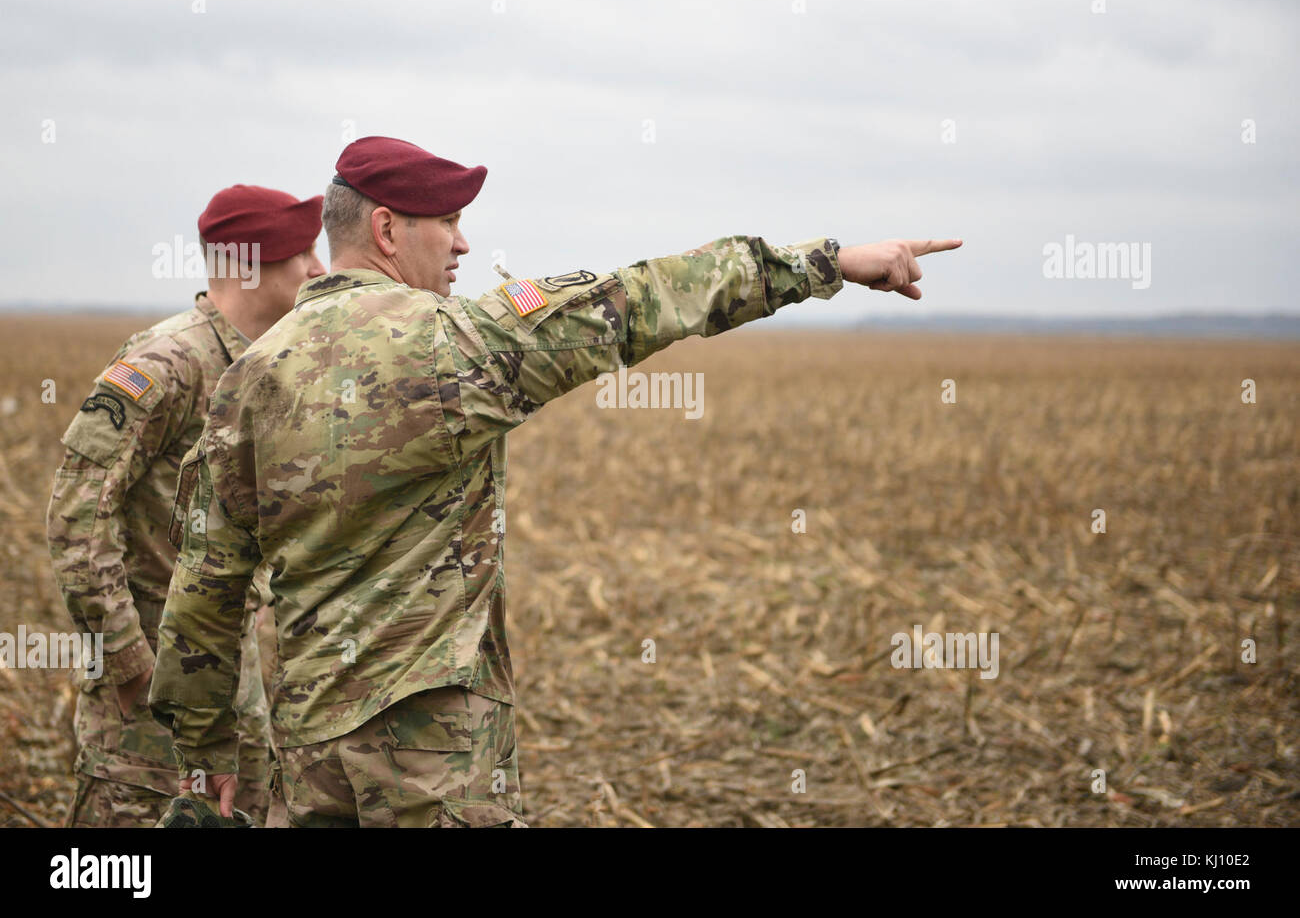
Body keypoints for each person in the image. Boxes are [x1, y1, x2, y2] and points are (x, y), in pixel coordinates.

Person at [149, 135, 961, 827]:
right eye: (450, 222)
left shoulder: (249, 378)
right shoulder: (457, 344)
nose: (463, 245)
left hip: (309, 756)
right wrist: (830, 262)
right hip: (435, 768)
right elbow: (645, 296)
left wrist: (207, 749)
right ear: (388, 229)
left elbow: (204, 590)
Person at [47, 184, 325, 826]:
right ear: (251, 265)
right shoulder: (168, 363)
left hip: (231, 683)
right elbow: (76, 517)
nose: (318, 269)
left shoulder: (262, 367)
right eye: (303, 254)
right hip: (148, 698)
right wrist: (128, 662)